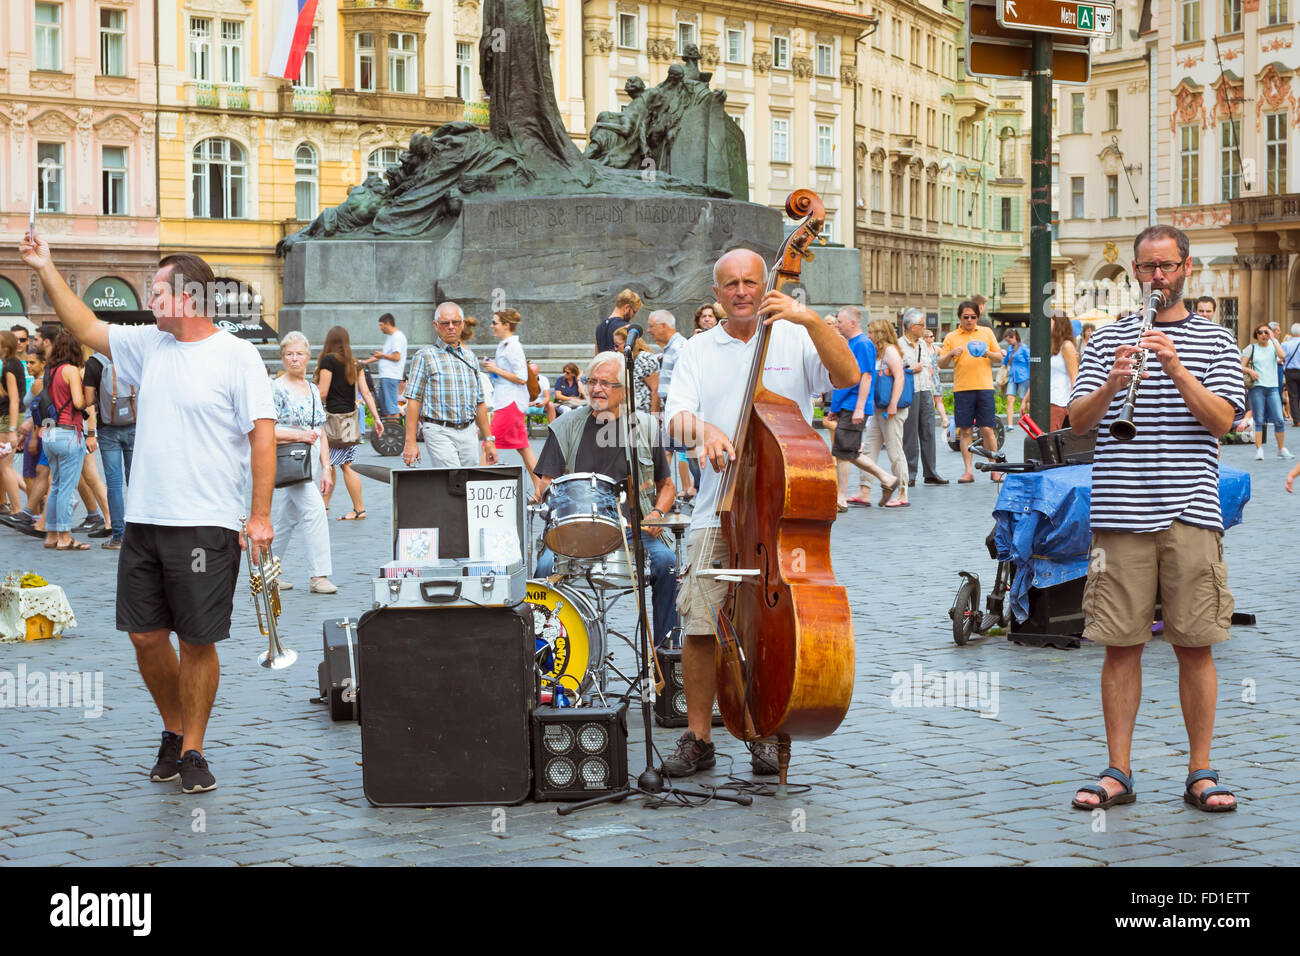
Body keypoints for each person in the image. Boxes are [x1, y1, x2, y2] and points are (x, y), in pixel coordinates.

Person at [21, 237, 277, 794]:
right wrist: (45, 266)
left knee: (197, 641)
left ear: (187, 297)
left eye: (156, 291)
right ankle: (172, 726)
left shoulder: (237, 356)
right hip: (145, 520)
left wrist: (259, 516)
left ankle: (193, 749)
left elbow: (263, 439)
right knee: (144, 636)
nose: (148, 299)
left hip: (207, 520)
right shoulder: (149, 345)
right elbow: (86, 326)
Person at [1067, 224, 1244, 814]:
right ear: (1135, 273)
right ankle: (1118, 769)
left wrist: (1174, 369)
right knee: (1120, 646)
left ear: (1187, 269)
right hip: (1120, 512)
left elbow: (1222, 421)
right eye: (1146, 268)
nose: (1157, 278)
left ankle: (1201, 771)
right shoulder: (1105, 340)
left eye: (1166, 267)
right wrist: (1115, 381)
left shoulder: (1216, 342)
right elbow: (1080, 422)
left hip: (1191, 512)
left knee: (1197, 644)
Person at [663, 247, 858, 777]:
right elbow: (674, 419)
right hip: (716, 508)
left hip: (779, 511)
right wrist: (702, 430)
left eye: (751, 281)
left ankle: (770, 730)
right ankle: (699, 736)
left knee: (777, 627)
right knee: (701, 623)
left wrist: (812, 319)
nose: (743, 291)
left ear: (765, 283)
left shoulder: (794, 335)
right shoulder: (700, 349)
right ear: (717, 294)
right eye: (731, 285)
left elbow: (847, 376)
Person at [534, 351, 679, 647]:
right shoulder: (565, 426)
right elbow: (544, 486)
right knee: (544, 569)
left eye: (606, 383)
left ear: (624, 390)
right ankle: (547, 657)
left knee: (667, 563)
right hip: (575, 531)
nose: (596, 389)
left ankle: (667, 650)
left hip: (634, 531)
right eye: (592, 381)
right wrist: (553, 499)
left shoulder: (647, 427)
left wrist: (657, 513)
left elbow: (668, 486)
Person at [271, 332, 337, 594]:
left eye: (299, 353)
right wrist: (299, 435)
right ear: (283, 357)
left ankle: (267, 572)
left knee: (286, 519)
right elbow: (268, 430)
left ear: (309, 357)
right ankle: (318, 575)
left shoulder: (311, 388)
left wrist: (327, 468)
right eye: (289, 354)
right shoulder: (276, 388)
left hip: (309, 458)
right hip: (288, 457)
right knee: (315, 511)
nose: (294, 359)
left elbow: (320, 430)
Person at [401, 301, 497, 469]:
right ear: (436, 326)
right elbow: (413, 400)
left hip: (468, 431)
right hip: (438, 430)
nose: (451, 327)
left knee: (469, 481)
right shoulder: (424, 356)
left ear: (462, 325)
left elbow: (480, 401)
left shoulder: (470, 357)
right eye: (445, 323)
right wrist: (410, 442)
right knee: (453, 477)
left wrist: (489, 441)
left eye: (456, 322)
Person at [828, 306, 899, 508]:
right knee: (847, 451)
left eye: (840, 321)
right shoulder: (852, 343)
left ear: (852, 322)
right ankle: (886, 478)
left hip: (854, 405)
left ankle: (841, 497)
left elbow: (866, 376)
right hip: (847, 404)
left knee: (843, 452)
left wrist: (859, 407)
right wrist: (835, 406)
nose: (837, 325)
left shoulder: (863, 344)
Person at [315, 325, 382, 520]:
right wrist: (376, 418)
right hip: (349, 422)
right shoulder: (355, 364)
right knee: (341, 464)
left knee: (337, 465)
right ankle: (337, 508)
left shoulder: (328, 361)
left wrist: (309, 403)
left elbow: (323, 393)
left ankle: (349, 508)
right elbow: (366, 393)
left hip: (333, 421)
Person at [36, 330, 91, 550]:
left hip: (50, 433)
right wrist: (91, 397)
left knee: (56, 486)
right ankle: (65, 536)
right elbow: (78, 403)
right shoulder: (71, 371)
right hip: (69, 432)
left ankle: (50, 534)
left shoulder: (50, 371)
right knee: (67, 488)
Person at [938, 300, 1003, 483]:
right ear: (959, 317)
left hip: (984, 387)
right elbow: (941, 364)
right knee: (965, 431)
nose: (969, 320)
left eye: (973, 317)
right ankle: (968, 471)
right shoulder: (952, 336)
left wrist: (987, 354)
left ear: (978, 317)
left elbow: (999, 358)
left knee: (987, 429)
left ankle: (994, 468)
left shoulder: (986, 332)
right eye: (966, 317)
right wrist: (951, 354)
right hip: (963, 389)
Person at [82, 348, 136, 549]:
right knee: (136, 482)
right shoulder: (130, 355)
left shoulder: (93, 363)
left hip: (108, 428)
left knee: (114, 484)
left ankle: (119, 536)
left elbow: (87, 400)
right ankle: (140, 534)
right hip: (133, 425)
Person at [482, 308, 541, 494]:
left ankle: (474, 491)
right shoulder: (505, 345)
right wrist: (495, 369)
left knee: (487, 444)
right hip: (509, 401)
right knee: (523, 448)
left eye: (495, 322)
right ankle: (542, 490)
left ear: (506, 325)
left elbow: (522, 377)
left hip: (509, 403)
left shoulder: (512, 346)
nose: (492, 326)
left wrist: (495, 369)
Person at [861, 319, 911, 508]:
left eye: (871, 331)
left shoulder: (890, 351)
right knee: (869, 449)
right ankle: (864, 490)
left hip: (892, 410)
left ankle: (903, 492)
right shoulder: (877, 352)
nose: (869, 335)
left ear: (880, 333)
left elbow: (899, 378)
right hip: (878, 409)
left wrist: (893, 405)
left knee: (894, 451)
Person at [646, 309, 695, 500]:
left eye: (651, 326)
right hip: (671, 409)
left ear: (664, 326)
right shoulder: (670, 347)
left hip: (679, 409)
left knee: (685, 454)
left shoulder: (680, 347)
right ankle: (663, 492)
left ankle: (691, 490)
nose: (648, 331)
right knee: (666, 451)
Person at [899, 309, 947, 485]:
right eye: (922, 325)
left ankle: (930, 472)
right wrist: (911, 370)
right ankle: (910, 474)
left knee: (928, 431)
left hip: (926, 390)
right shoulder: (899, 345)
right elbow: (893, 370)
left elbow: (930, 367)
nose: (924, 328)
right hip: (910, 392)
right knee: (910, 434)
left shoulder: (923, 344)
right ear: (912, 327)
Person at [1241, 323, 1293, 460]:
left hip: (1273, 388)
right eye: (1260, 332)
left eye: (1266, 332)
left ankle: (1281, 449)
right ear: (1256, 335)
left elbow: (1283, 355)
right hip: (1257, 387)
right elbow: (1240, 366)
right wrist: (1250, 371)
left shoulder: (1273, 347)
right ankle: (1259, 449)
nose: (1263, 335)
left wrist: (1274, 339)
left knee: (1279, 420)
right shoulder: (1251, 348)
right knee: (1259, 420)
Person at [360, 313, 407, 418]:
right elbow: (382, 355)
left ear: (388, 323)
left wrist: (382, 355)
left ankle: (395, 431)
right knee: (385, 408)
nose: (380, 328)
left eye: (381, 325)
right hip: (386, 376)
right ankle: (388, 429)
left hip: (391, 376)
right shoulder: (391, 337)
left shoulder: (397, 337)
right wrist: (365, 362)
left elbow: (396, 357)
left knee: (391, 407)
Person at [0, 331, 24, 517]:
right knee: (5, 465)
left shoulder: (10, 366)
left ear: (5, 347)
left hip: (9, 419)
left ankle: (17, 510)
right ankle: (35, 499)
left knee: (5, 466)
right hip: (10, 419)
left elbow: (14, 400)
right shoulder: (13, 364)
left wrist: (12, 430)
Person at [613, 323, 659, 414]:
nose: (615, 349)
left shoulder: (644, 359)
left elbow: (656, 390)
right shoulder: (625, 359)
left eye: (617, 345)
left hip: (645, 414)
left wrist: (654, 419)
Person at [1049, 314, 1080, 432]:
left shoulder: (1067, 346)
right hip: (1050, 399)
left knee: (1049, 441)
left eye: (1050, 322)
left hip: (1059, 401)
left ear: (1058, 324)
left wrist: (1073, 403)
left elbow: (1074, 376)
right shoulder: (1052, 347)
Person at [595, 288, 642, 354]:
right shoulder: (627, 328)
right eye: (634, 312)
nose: (633, 316)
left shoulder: (599, 328)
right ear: (627, 308)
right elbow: (637, 354)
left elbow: (597, 356)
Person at [1002, 329, 1030, 428]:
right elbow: (1005, 361)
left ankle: (1031, 422)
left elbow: (1030, 362)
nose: (1008, 343)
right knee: (1010, 399)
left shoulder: (1024, 348)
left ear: (1014, 337)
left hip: (1023, 377)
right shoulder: (1010, 348)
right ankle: (1010, 425)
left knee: (1025, 401)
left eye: (1009, 340)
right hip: (1012, 378)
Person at [923, 327, 949, 428]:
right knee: (929, 400)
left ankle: (944, 419)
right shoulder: (922, 349)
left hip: (935, 378)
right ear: (925, 338)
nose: (933, 338)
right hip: (925, 378)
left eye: (933, 336)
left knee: (938, 398)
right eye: (931, 336)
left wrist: (938, 366)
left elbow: (944, 357)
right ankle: (928, 420)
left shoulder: (935, 348)